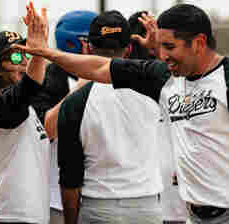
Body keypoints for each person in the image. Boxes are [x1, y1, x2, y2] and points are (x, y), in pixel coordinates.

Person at [16, 4, 229, 224]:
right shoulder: (164, 77)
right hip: (195, 216)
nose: (161, 54)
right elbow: (100, 68)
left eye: (169, 47)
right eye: (159, 47)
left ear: (198, 43)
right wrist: (46, 53)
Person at [56, 10, 164, 224]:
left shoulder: (75, 102)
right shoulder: (156, 89)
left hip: (98, 208)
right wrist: (156, 49)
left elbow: (70, 177)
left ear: (87, 47)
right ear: (129, 48)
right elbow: (183, 76)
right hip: (146, 207)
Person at [0, 3, 51, 224]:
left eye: (26, 55)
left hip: (24, 217)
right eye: (16, 57)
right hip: (1, 217)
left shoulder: (31, 108)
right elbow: (28, 88)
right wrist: (39, 53)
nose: (24, 62)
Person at [129, 10, 187, 224]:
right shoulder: (125, 82)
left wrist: (155, 50)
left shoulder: (176, 81)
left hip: (173, 197)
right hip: (148, 197)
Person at [44, 9, 98, 224]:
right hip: (57, 198)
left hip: (102, 197)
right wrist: (83, 83)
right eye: (93, 41)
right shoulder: (50, 79)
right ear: (77, 43)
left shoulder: (111, 75)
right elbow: (47, 130)